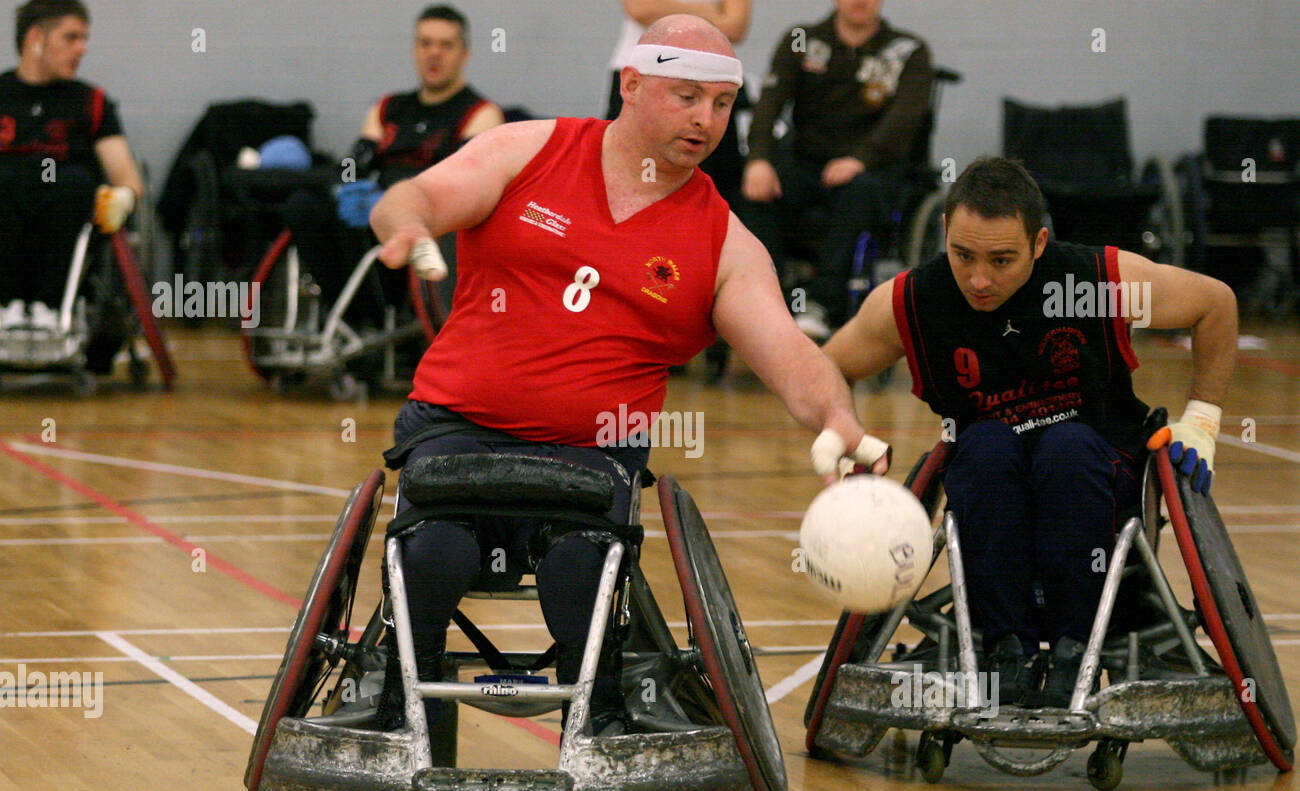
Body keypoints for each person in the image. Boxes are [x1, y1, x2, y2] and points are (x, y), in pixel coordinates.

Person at [369, 14, 888, 735]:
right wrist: (405, 224)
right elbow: (416, 197)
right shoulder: (531, 150)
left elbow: (791, 353)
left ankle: (603, 719)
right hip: (457, 427)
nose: (706, 121)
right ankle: (402, 710)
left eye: (721, 104)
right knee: (434, 549)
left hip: (592, 454)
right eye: (686, 97)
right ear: (632, 84)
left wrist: (839, 419)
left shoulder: (721, 238)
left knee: (582, 570)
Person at [824, 156, 1238, 707]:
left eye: (1002, 260)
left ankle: (1076, 644)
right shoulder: (913, 301)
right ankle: (1004, 648)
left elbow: (1216, 304)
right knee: (986, 444)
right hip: (990, 472)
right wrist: (844, 435)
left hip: (1098, 469)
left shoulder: (1099, 281)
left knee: (1065, 447)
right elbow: (827, 366)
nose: (979, 279)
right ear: (945, 232)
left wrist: (1203, 419)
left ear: (1039, 243)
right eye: (963, 255)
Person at [282, 4, 504, 319]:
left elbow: (462, 186)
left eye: (445, 45)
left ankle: (381, 319)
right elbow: (353, 164)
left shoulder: (480, 113)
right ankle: (353, 318)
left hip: (428, 226)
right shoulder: (388, 108)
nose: (434, 54)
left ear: (464, 54)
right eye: (425, 43)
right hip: (369, 218)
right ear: (415, 49)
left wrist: (398, 203)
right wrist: (346, 187)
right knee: (302, 205)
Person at [741, 0, 930, 340]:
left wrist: (860, 158)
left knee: (860, 192)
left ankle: (822, 304)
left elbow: (905, 119)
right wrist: (758, 159)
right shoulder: (802, 39)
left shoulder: (909, 50)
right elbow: (769, 103)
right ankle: (771, 303)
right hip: (805, 161)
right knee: (755, 192)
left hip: (872, 168)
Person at [604, 1, 751, 382]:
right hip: (652, 75)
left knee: (706, 208)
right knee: (629, 201)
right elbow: (640, 8)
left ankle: (689, 324)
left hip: (712, 77)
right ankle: (623, 319)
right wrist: (708, 10)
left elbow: (734, 25)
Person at [0, 0, 143, 335]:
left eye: (85, 38)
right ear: (35, 37)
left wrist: (124, 198)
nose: (82, 48)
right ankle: (6, 305)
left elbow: (127, 179)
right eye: (71, 37)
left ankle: (51, 308)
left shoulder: (90, 102)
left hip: (66, 215)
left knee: (76, 180)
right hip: (7, 212)